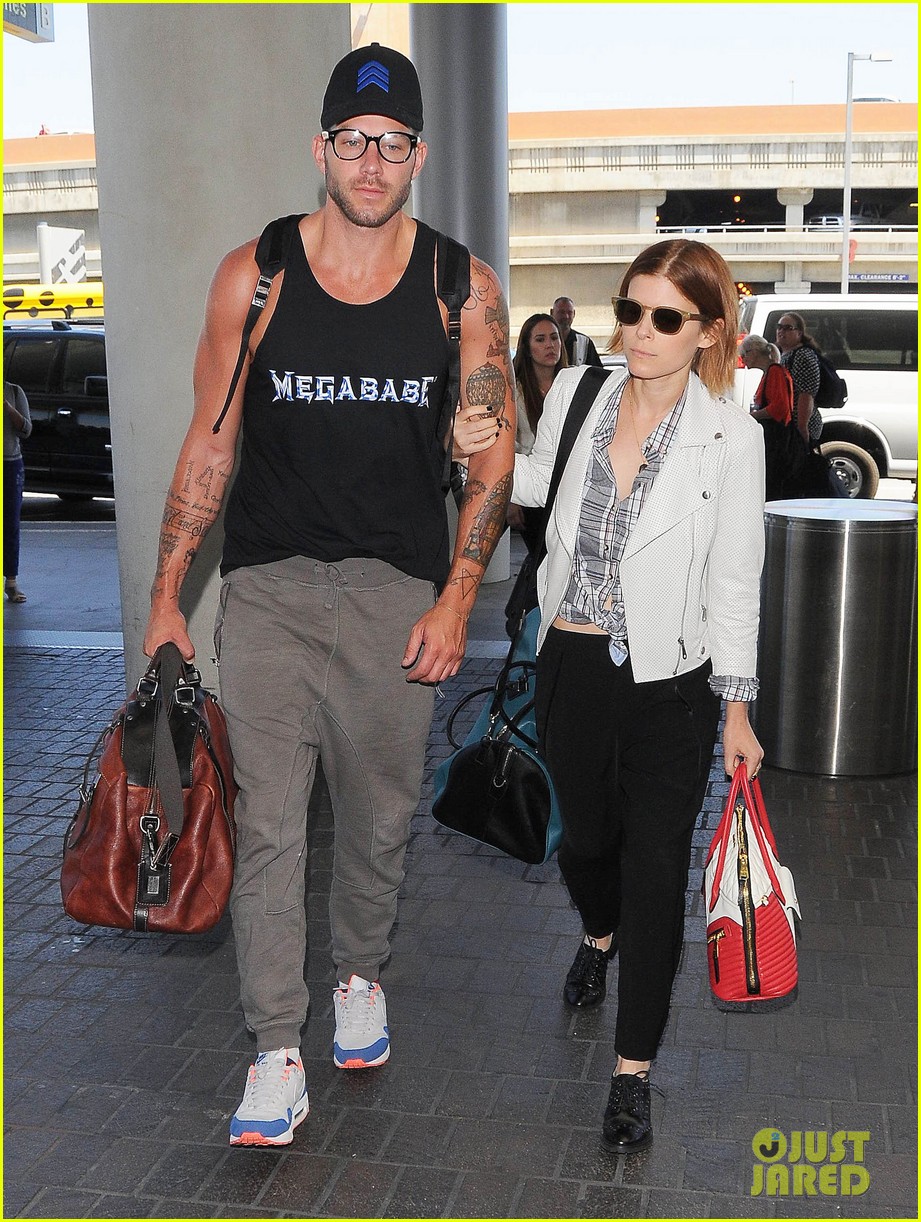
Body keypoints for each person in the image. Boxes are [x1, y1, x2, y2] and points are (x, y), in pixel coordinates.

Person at [143, 42, 515, 1148]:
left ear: (418, 157)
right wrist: (168, 595)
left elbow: (491, 463)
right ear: (320, 149)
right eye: (351, 141)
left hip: (399, 590)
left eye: (391, 143)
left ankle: (360, 974)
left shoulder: (463, 289)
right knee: (267, 825)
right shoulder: (252, 277)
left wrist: (457, 599)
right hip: (268, 587)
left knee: (379, 816)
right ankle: (274, 1049)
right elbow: (208, 448)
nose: (369, 161)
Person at [481, 239, 765, 1155]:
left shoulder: (733, 434)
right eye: (630, 309)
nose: (639, 332)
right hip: (568, 660)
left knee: (653, 871)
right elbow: (537, 486)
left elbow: (735, 576)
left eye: (665, 318)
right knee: (586, 845)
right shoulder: (578, 393)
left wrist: (736, 707)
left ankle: (631, 1072)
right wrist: (479, 453)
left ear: (709, 331)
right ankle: (594, 933)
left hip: (670, 685)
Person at [507, 313, 568, 553]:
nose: (550, 345)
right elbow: (508, 446)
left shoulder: (571, 385)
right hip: (531, 490)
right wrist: (511, 499)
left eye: (554, 338)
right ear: (527, 347)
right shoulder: (516, 391)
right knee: (540, 560)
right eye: (540, 340)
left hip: (566, 487)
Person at [740, 334, 797, 501]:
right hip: (774, 440)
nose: (743, 359)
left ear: (755, 352)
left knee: (772, 487)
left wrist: (751, 417)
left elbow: (779, 408)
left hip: (776, 442)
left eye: (744, 354)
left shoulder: (775, 371)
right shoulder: (771, 372)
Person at [775, 311, 823, 444]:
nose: (781, 331)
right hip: (789, 426)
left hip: (800, 427)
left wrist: (802, 428)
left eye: (788, 328)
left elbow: (806, 394)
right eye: (779, 327)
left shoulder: (803, 356)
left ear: (799, 333)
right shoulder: (785, 354)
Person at [4, 380, 32, 603]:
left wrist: (7, 407)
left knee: (10, 524)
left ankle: (11, 582)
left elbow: (26, 429)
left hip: (10, 463)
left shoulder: (14, 391)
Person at [551, 296, 604, 367]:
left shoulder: (585, 342)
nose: (566, 316)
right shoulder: (543, 341)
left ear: (574, 314)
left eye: (569, 312)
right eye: (561, 312)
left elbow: (597, 373)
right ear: (551, 312)